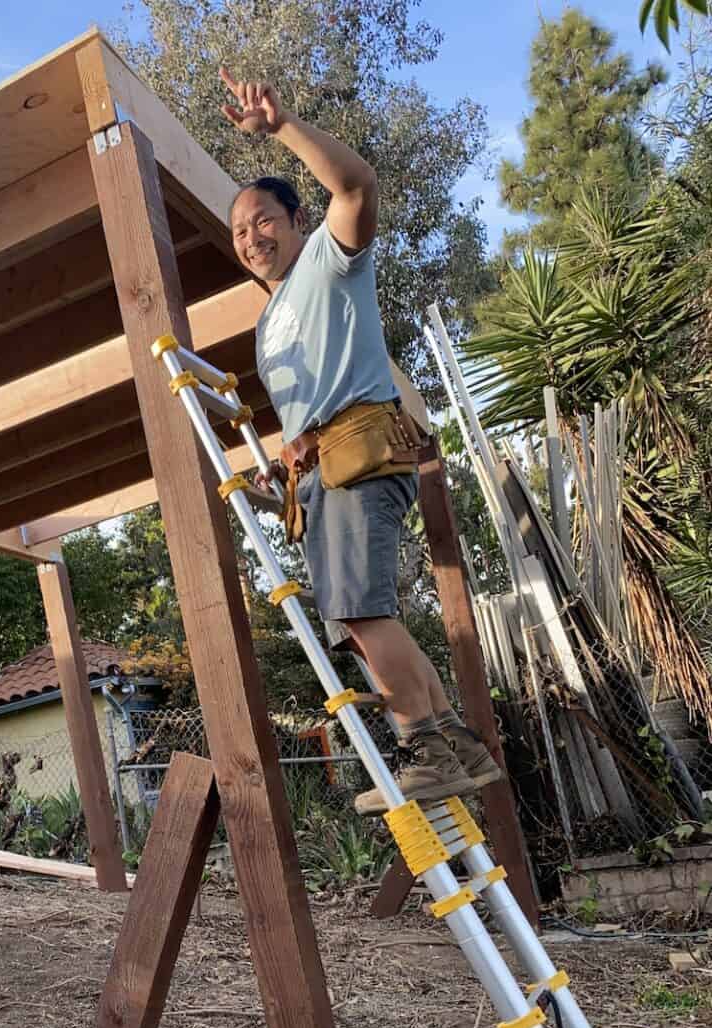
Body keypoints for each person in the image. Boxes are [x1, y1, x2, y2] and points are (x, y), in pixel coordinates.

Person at [220, 66, 501, 814]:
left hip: (360, 454)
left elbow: (356, 188)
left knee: (358, 608)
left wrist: (281, 126)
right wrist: (281, 468)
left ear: (295, 217)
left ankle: (424, 750)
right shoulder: (268, 319)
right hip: (321, 471)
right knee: (360, 612)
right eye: (240, 232)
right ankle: (453, 740)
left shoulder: (329, 260)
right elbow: (306, 413)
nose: (252, 238)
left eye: (263, 221)